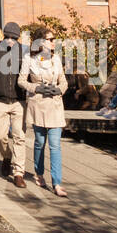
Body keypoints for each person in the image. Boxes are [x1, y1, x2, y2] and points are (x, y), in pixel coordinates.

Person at [20, 31, 69, 197]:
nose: (53, 42)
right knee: (40, 142)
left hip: (55, 104)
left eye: (54, 39)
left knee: (55, 145)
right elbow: (21, 81)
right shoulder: (29, 59)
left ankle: (57, 183)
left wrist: (59, 89)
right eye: (50, 39)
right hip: (38, 105)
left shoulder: (56, 59)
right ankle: (39, 172)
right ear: (41, 42)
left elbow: (63, 81)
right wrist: (36, 88)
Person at [0, 21, 29, 187]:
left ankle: (18, 172)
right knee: (0, 135)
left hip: (19, 100)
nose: (11, 41)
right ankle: (6, 157)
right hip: (0, 99)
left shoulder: (25, 52)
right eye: (8, 37)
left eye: (14, 38)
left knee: (19, 136)